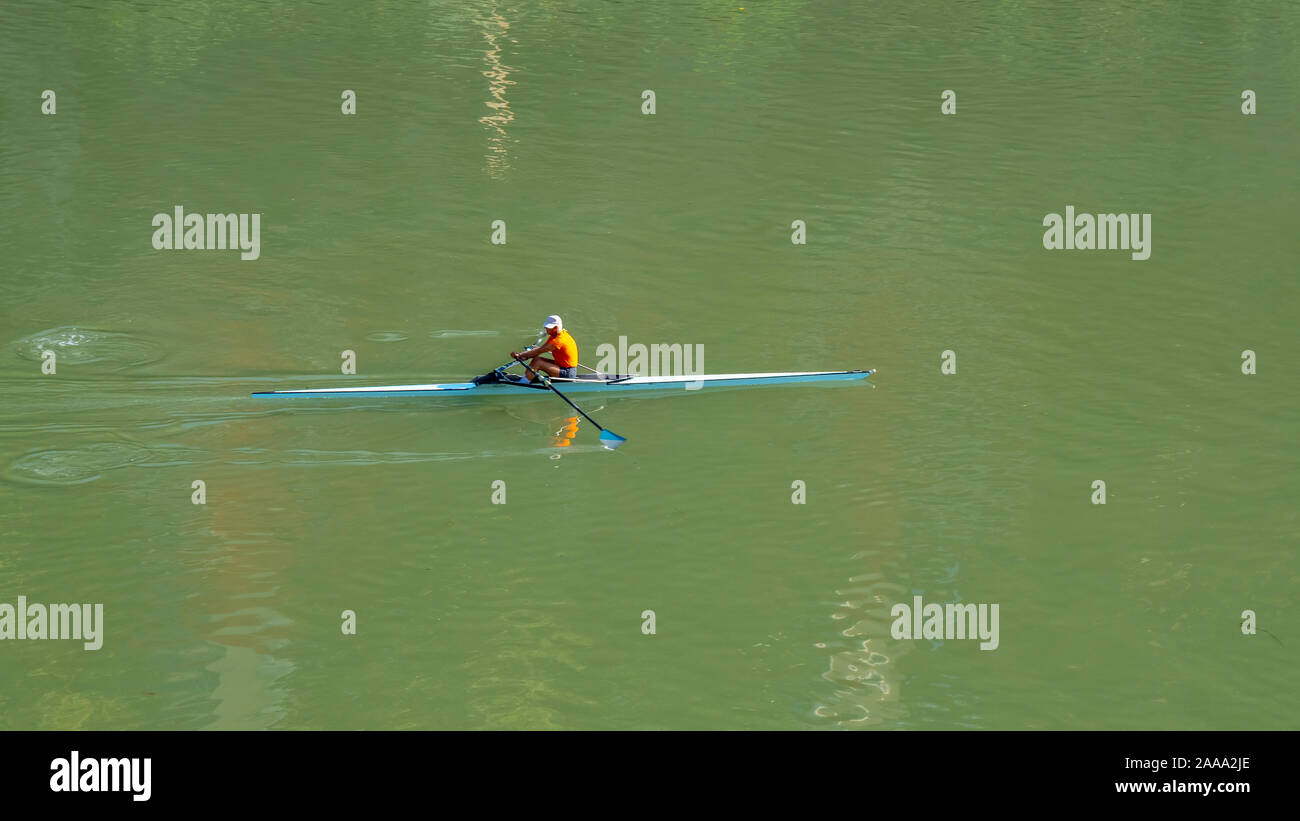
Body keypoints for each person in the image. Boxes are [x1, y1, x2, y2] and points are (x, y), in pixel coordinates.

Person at [512, 315, 578, 383]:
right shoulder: (556, 335)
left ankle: (523, 384)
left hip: (567, 373)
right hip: (560, 366)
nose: (546, 329)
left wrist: (520, 355)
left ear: (555, 327)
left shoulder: (559, 340)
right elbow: (540, 349)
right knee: (537, 359)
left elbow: (539, 351)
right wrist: (525, 355)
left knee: (537, 363)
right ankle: (527, 379)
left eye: (548, 328)